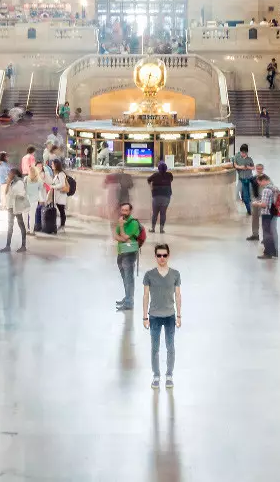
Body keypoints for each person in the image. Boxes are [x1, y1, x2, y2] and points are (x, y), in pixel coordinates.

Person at [142, 243, 182, 390]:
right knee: (155, 347)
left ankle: (169, 375)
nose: (162, 258)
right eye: (159, 255)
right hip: (154, 316)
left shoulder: (175, 274)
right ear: (155, 257)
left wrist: (179, 315)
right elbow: (145, 295)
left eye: (164, 255)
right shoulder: (149, 275)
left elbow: (178, 295)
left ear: (168, 256)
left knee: (170, 346)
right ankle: (156, 375)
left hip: (170, 315)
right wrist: (144, 316)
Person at [113, 202, 141, 311]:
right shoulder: (121, 220)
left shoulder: (133, 223)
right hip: (121, 252)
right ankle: (127, 298)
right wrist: (122, 238)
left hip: (129, 253)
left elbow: (124, 237)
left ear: (130, 211)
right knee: (125, 278)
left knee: (129, 279)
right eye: (122, 210)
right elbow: (116, 236)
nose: (124, 212)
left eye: (126, 210)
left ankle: (129, 302)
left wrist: (121, 227)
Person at [0, 167, 29, 253]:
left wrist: (12, 192)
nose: (9, 174)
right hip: (11, 206)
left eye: (10, 173)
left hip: (17, 206)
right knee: (10, 226)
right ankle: (7, 246)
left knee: (21, 225)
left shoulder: (20, 182)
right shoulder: (11, 182)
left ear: (15, 174)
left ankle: (23, 246)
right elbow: (5, 193)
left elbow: (21, 194)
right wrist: (8, 183)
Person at [252, 173, 279, 259]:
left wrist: (256, 204)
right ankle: (274, 251)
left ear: (263, 180)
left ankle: (268, 253)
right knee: (271, 232)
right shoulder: (274, 188)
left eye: (259, 183)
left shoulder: (266, 190)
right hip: (273, 213)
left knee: (266, 234)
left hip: (267, 214)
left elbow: (264, 204)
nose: (259, 185)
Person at [147, 161, 173, 234]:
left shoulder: (155, 175)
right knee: (163, 213)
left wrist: (151, 187)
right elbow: (170, 180)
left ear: (158, 168)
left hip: (156, 196)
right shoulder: (169, 175)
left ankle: (153, 228)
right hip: (166, 196)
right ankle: (161, 230)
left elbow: (148, 180)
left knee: (155, 213)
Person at [47, 158, 69, 230]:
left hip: (61, 194)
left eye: (52, 164)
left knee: (61, 210)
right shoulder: (57, 174)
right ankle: (61, 224)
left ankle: (62, 224)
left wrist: (53, 186)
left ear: (56, 165)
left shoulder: (61, 174)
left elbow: (62, 184)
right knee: (60, 209)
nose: (51, 165)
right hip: (58, 195)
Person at [234, 144, 255, 215]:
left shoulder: (249, 159)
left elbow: (253, 167)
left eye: (244, 153)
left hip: (249, 179)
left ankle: (250, 210)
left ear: (246, 152)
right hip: (242, 179)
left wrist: (248, 167)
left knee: (250, 196)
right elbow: (235, 164)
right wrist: (241, 167)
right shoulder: (237, 157)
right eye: (241, 152)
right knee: (243, 195)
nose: (242, 154)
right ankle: (249, 210)